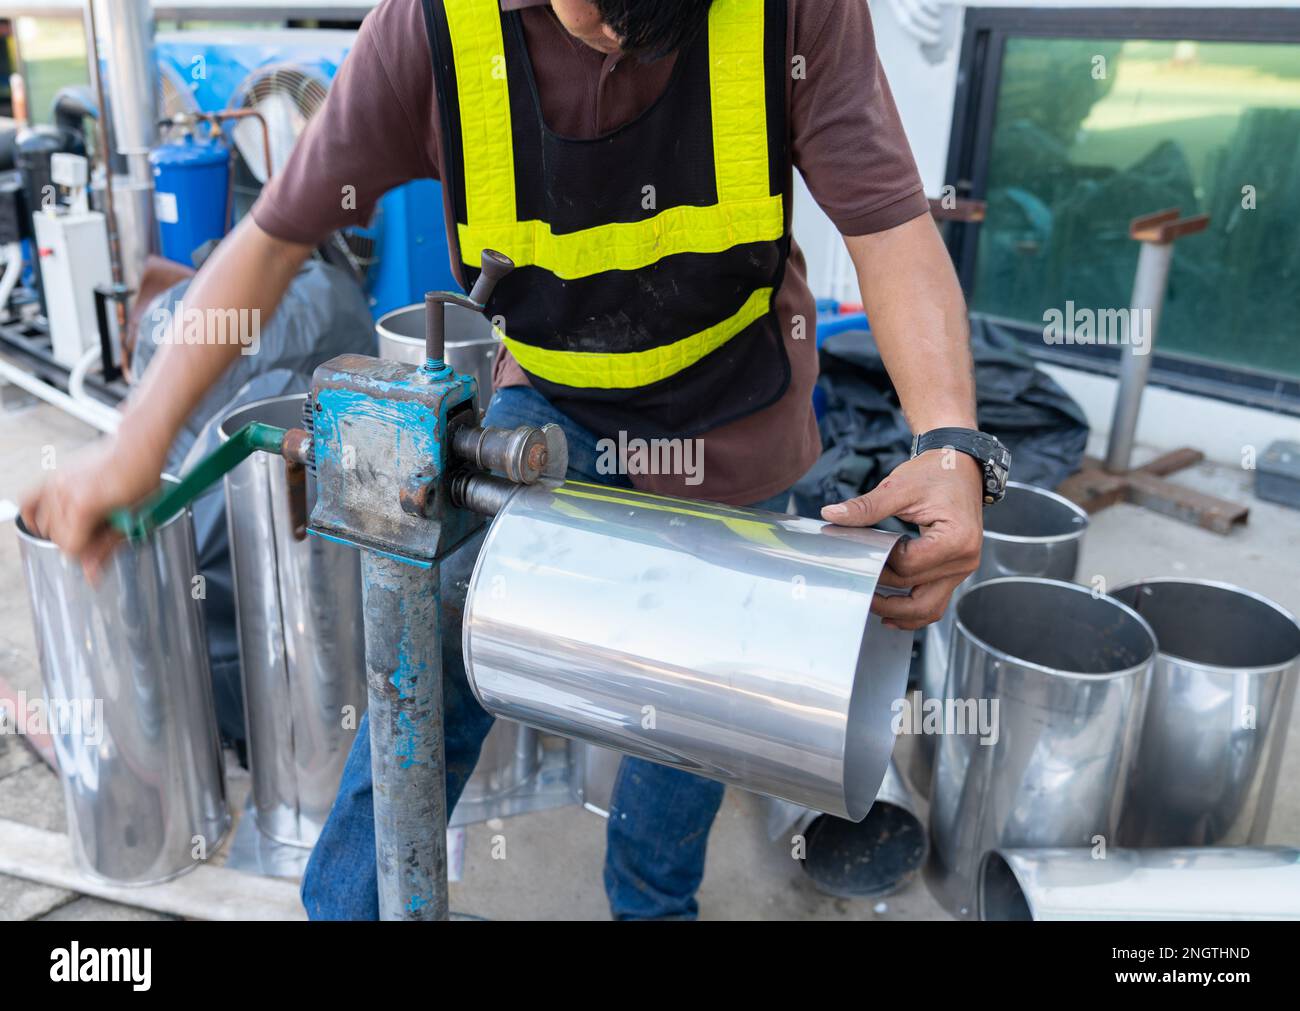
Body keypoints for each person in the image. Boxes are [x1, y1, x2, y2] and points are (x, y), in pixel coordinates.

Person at [22, 0, 999, 920]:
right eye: (599, 18)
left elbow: (889, 227)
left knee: (704, 709)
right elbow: (274, 236)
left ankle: (651, 906)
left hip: (736, 411)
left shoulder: (796, 13)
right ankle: (352, 910)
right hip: (551, 403)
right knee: (435, 662)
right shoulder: (431, 28)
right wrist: (136, 445)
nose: (620, 45)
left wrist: (949, 443)